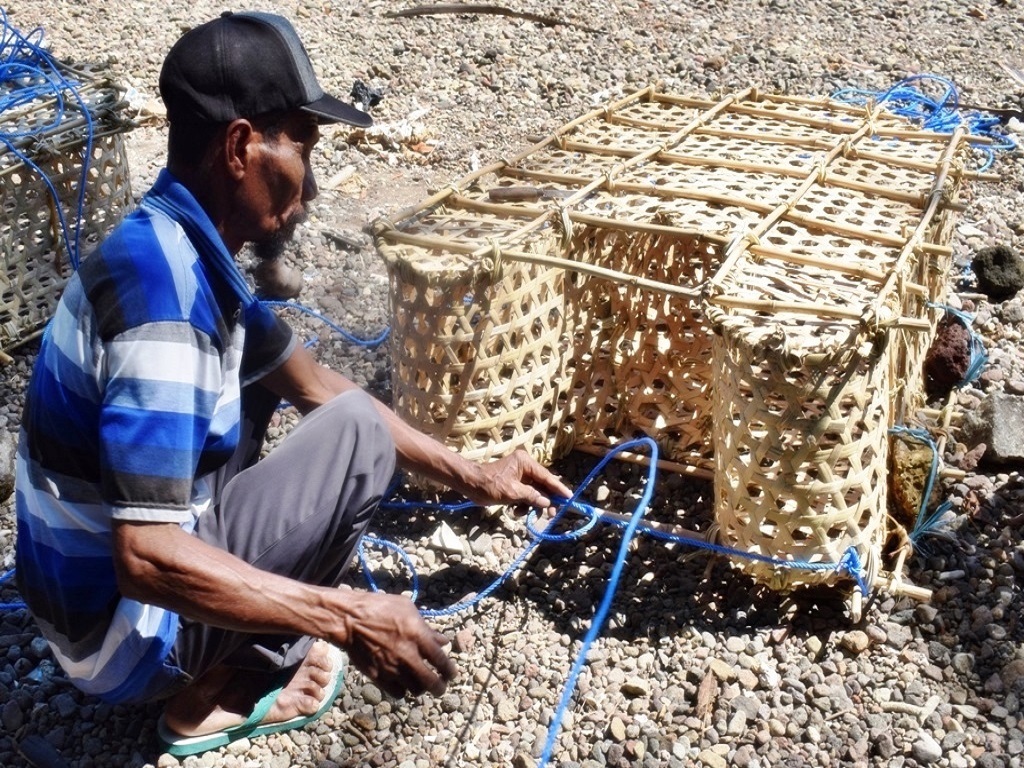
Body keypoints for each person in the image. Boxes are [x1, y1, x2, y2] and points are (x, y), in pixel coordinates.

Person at [14, 11, 571, 757]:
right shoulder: (166, 307)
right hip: (120, 644)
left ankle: (229, 643)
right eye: (302, 147)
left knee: (333, 413)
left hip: (81, 617)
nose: (307, 184)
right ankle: (216, 691)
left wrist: (475, 476)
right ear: (241, 146)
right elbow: (143, 557)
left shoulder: (170, 243)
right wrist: (344, 615)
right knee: (360, 438)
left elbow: (316, 383)